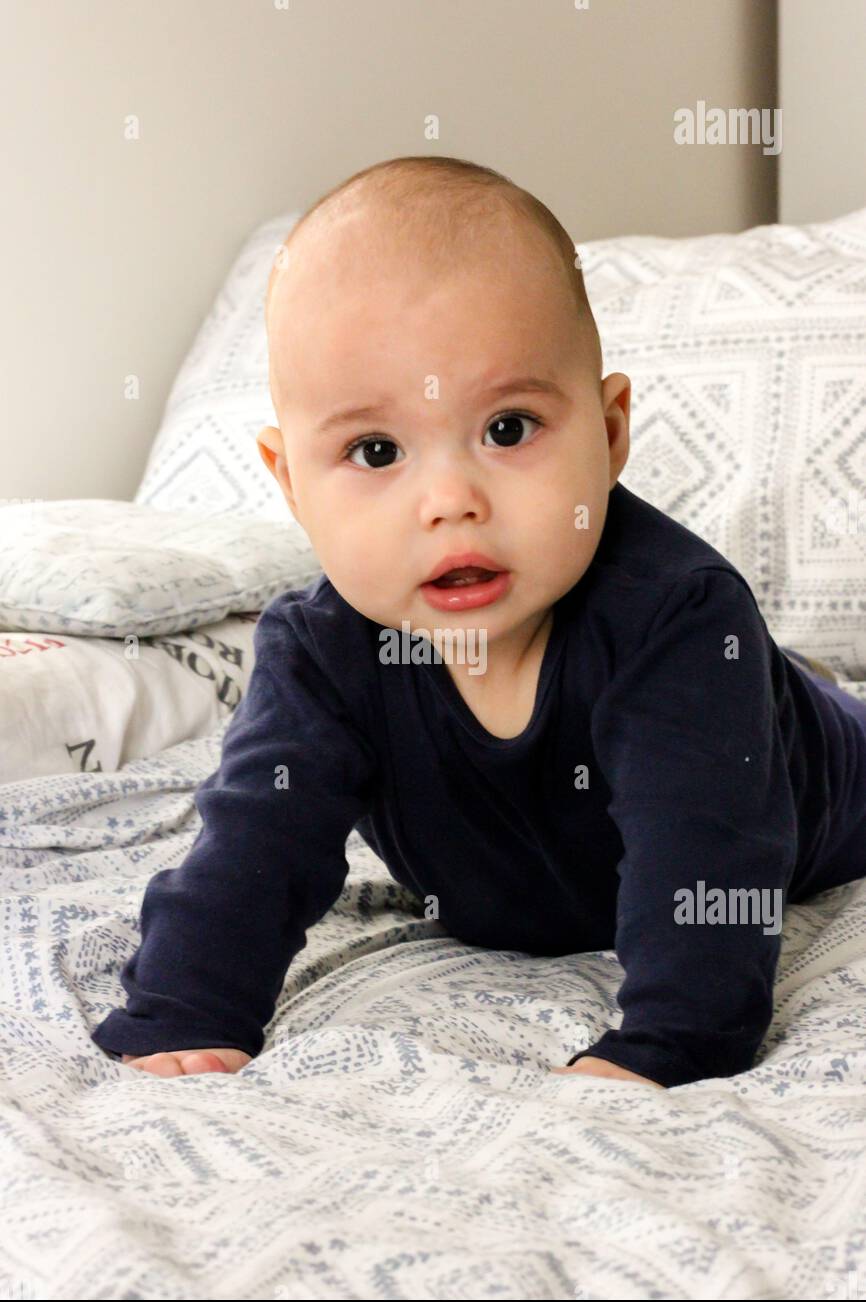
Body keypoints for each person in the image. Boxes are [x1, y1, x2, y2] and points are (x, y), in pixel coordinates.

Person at [91, 156, 866, 1089]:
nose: (450, 500)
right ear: (291, 482)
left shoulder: (679, 615)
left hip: (819, 777)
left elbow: (716, 859)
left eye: (507, 429)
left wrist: (671, 1044)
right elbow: (253, 844)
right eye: (375, 451)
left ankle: (810, 690)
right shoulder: (323, 653)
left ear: (610, 433)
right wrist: (184, 1008)